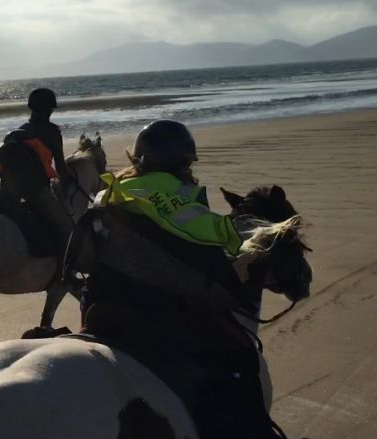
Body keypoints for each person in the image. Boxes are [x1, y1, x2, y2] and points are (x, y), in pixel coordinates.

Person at [81, 119, 283, 439]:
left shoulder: (109, 192)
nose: (190, 171)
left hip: (98, 304)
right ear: (180, 163)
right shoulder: (175, 197)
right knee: (241, 354)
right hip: (152, 310)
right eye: (188, 164)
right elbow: (221, 238)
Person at [0, 88, 75, 273]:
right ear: (50, 109)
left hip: (10, 192)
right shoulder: (51, 133)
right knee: (66, 226)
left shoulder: (16, 133)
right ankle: (63, 273)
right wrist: (67, 185)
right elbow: (60, 166)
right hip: (37, 192)